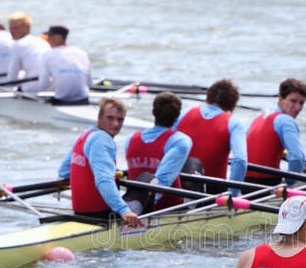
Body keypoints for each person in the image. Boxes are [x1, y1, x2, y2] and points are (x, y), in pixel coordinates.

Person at [58, 97, 138, 226]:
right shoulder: (102, 140)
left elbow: (64, 171)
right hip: (102, 214)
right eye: (110, 118)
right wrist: (124, 211)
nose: (116, 124)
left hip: (80, 212)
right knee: (143, 185)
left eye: (120, 119)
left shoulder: (85, 135)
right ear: (99, 117)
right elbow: (104, 180)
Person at [174, 78, 247, 193]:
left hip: (178, 186)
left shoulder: (184, 113)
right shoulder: (234, 123)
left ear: (208, 97)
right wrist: (232, 194)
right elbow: (240, 160)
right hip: (212, 192)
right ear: (232, 105)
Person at [124, 92, 192, 211]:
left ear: (153, 112)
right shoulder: (180, 140)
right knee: (193, 164)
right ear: (178, 116)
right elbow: (162, 181)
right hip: (168, 209)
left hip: (135, 206)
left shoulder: (130, 139)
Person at [244, 78, 306, 185]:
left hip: (245, 182)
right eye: (293, 101)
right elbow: (297, 158)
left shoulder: (260, 117)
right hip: (268, 183)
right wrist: (289, 183)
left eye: (301, 103)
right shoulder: (286, 121)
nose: (297, 107)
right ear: (280, 99)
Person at [38, 25, 91, 104]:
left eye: (49, 37)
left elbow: (43, 85)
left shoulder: (47, 55)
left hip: (62, 101)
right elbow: (89, 83)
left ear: (57, 38)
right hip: (84, 99)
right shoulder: (81, 53)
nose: (48, 40)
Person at [6, 12, 50, 92]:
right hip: (50, 87)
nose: (12, 31)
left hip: (32, 89)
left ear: (26, 27)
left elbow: (12, 77)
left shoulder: (18, 45)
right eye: (10, 28)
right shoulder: (42, 42)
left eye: (15, 28)